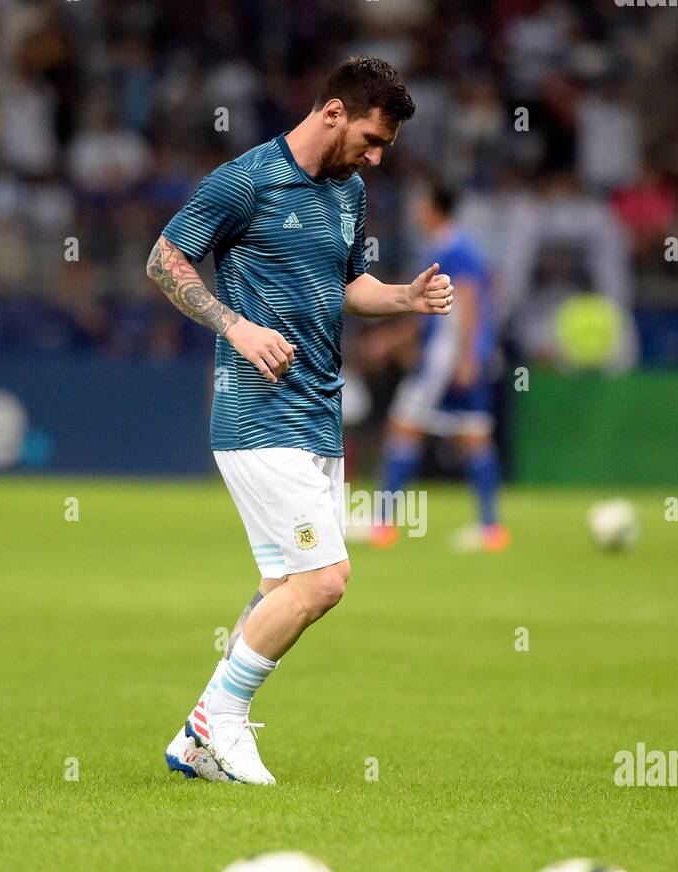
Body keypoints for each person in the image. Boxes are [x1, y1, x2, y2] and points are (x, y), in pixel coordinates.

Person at [146, 56, 453, 784]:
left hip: (317, 414)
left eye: (385, 149)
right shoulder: (244, 179)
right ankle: (221, 719)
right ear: (334, 111)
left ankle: (194, 739)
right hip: (258, 413)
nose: (375, 159)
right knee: (326, 581)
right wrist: (237, 328)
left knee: (285, 585)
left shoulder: (348, 193)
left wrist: (404, 297)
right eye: (371, 139)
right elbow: (163, 261)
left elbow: (348, 285)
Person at [368, 180, 506, 552]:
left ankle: (381, 523)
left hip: (445, 363)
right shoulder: (449, 247)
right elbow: (431, 310)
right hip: (451, 358)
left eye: (420, 204)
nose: (415, 212)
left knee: (403, 428)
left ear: (433, 209)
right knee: (474, 436)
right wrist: (395, 340)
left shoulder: (456, 249)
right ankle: (491, 528)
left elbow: (471, 300)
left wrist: (465, 357)